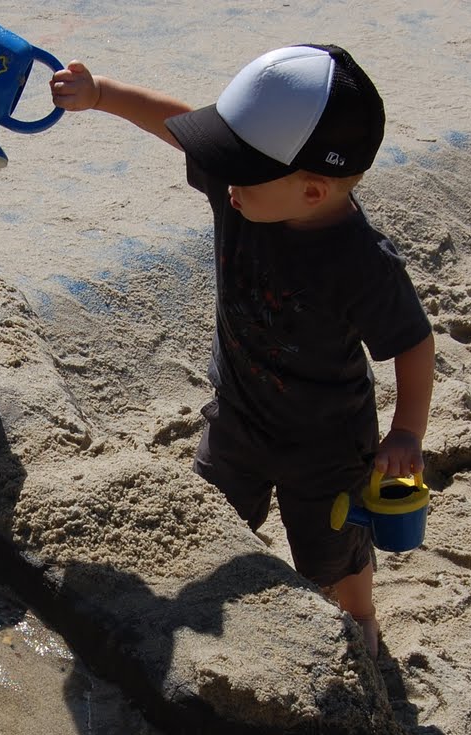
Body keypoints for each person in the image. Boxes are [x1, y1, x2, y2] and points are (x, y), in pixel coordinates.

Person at [50, 44, 434, 656]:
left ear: (312, 191)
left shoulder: (362, 264)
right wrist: (104, 95)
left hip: (328, 446)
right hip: (237, 415)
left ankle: (360, 616)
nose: (222, 179)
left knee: (332, 554)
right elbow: (179, 124)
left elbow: (412, 344)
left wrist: (407, 432)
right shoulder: (252, 188)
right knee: (209, 517)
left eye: (237, 167)